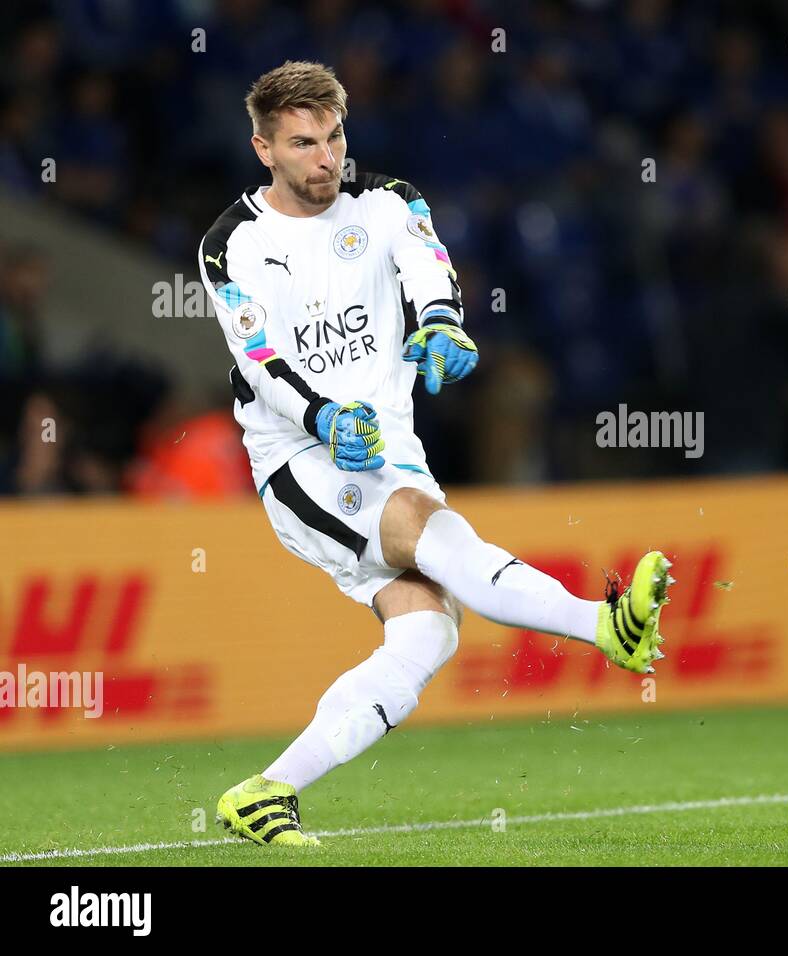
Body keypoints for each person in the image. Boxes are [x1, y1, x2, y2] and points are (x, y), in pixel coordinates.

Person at [199, 62, 670, 846]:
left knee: (427, 632)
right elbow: (259, 360)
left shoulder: (387, 201)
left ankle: (265, 792)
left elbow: (428, 269)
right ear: (264, 149)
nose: (325, 158)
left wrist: (444, 325)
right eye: (303, 143)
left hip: (391, 453)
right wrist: (322, 418)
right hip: (300, 460)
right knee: (425, 525)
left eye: (335, 137)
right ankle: (605, 626)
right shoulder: (233, 244)